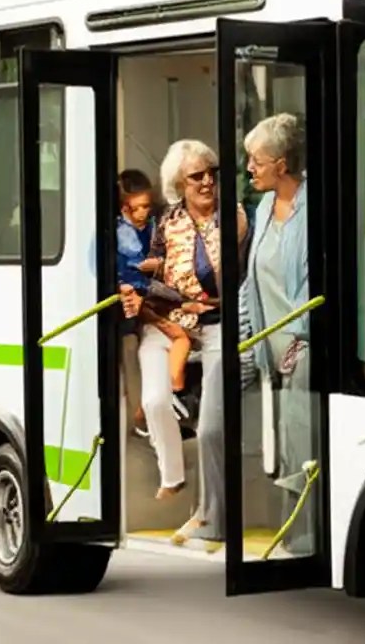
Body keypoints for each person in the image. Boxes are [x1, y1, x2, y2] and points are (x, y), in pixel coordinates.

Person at [119, 140, 247, 508]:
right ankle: (172, 475)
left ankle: (215, 499)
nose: (207, 182)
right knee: (154, 400)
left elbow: (234, 276)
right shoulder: (165, 221)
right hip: (166, 321)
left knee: (213, 419)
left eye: (212, 174)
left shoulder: (233, 217)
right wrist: (164, 299)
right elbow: (150, 273)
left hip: (214, 323)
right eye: (196, 177)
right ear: (179, 183)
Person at [237, 112, 316, 557]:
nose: (250, 167)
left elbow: (312, 286)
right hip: (272, 351)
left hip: (303, 349)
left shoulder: (311, 210)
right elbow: (253, 281)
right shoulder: (264, 208)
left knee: (301, 437)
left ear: (282, 165)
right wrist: (246, 339)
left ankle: (306, 536)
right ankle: (293, 530)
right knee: (286, 439)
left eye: (257, 160)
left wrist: (298, 344)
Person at [115, 169, 195, 438]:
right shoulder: (123, 234)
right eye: (137, 208)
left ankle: (165, 402)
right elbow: (136, 272)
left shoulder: (148, 226)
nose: (143, 213)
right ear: (124, 207)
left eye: (147, 207)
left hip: (147, 299)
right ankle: (166, 401)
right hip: (139, 299)